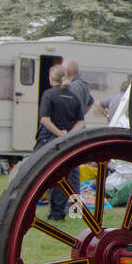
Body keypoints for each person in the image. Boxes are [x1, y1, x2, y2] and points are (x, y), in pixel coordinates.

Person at [36, 65, 85, 220]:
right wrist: (69, 135)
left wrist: (59, 135)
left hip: (49, 139)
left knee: (40, 174)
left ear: (51, 78)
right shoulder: (74, 96)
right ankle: (75, 210)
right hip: (69, 140)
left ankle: (55, 212)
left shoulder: (49, 95)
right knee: (72, 175)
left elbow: (45, 119)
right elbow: (81, 122)